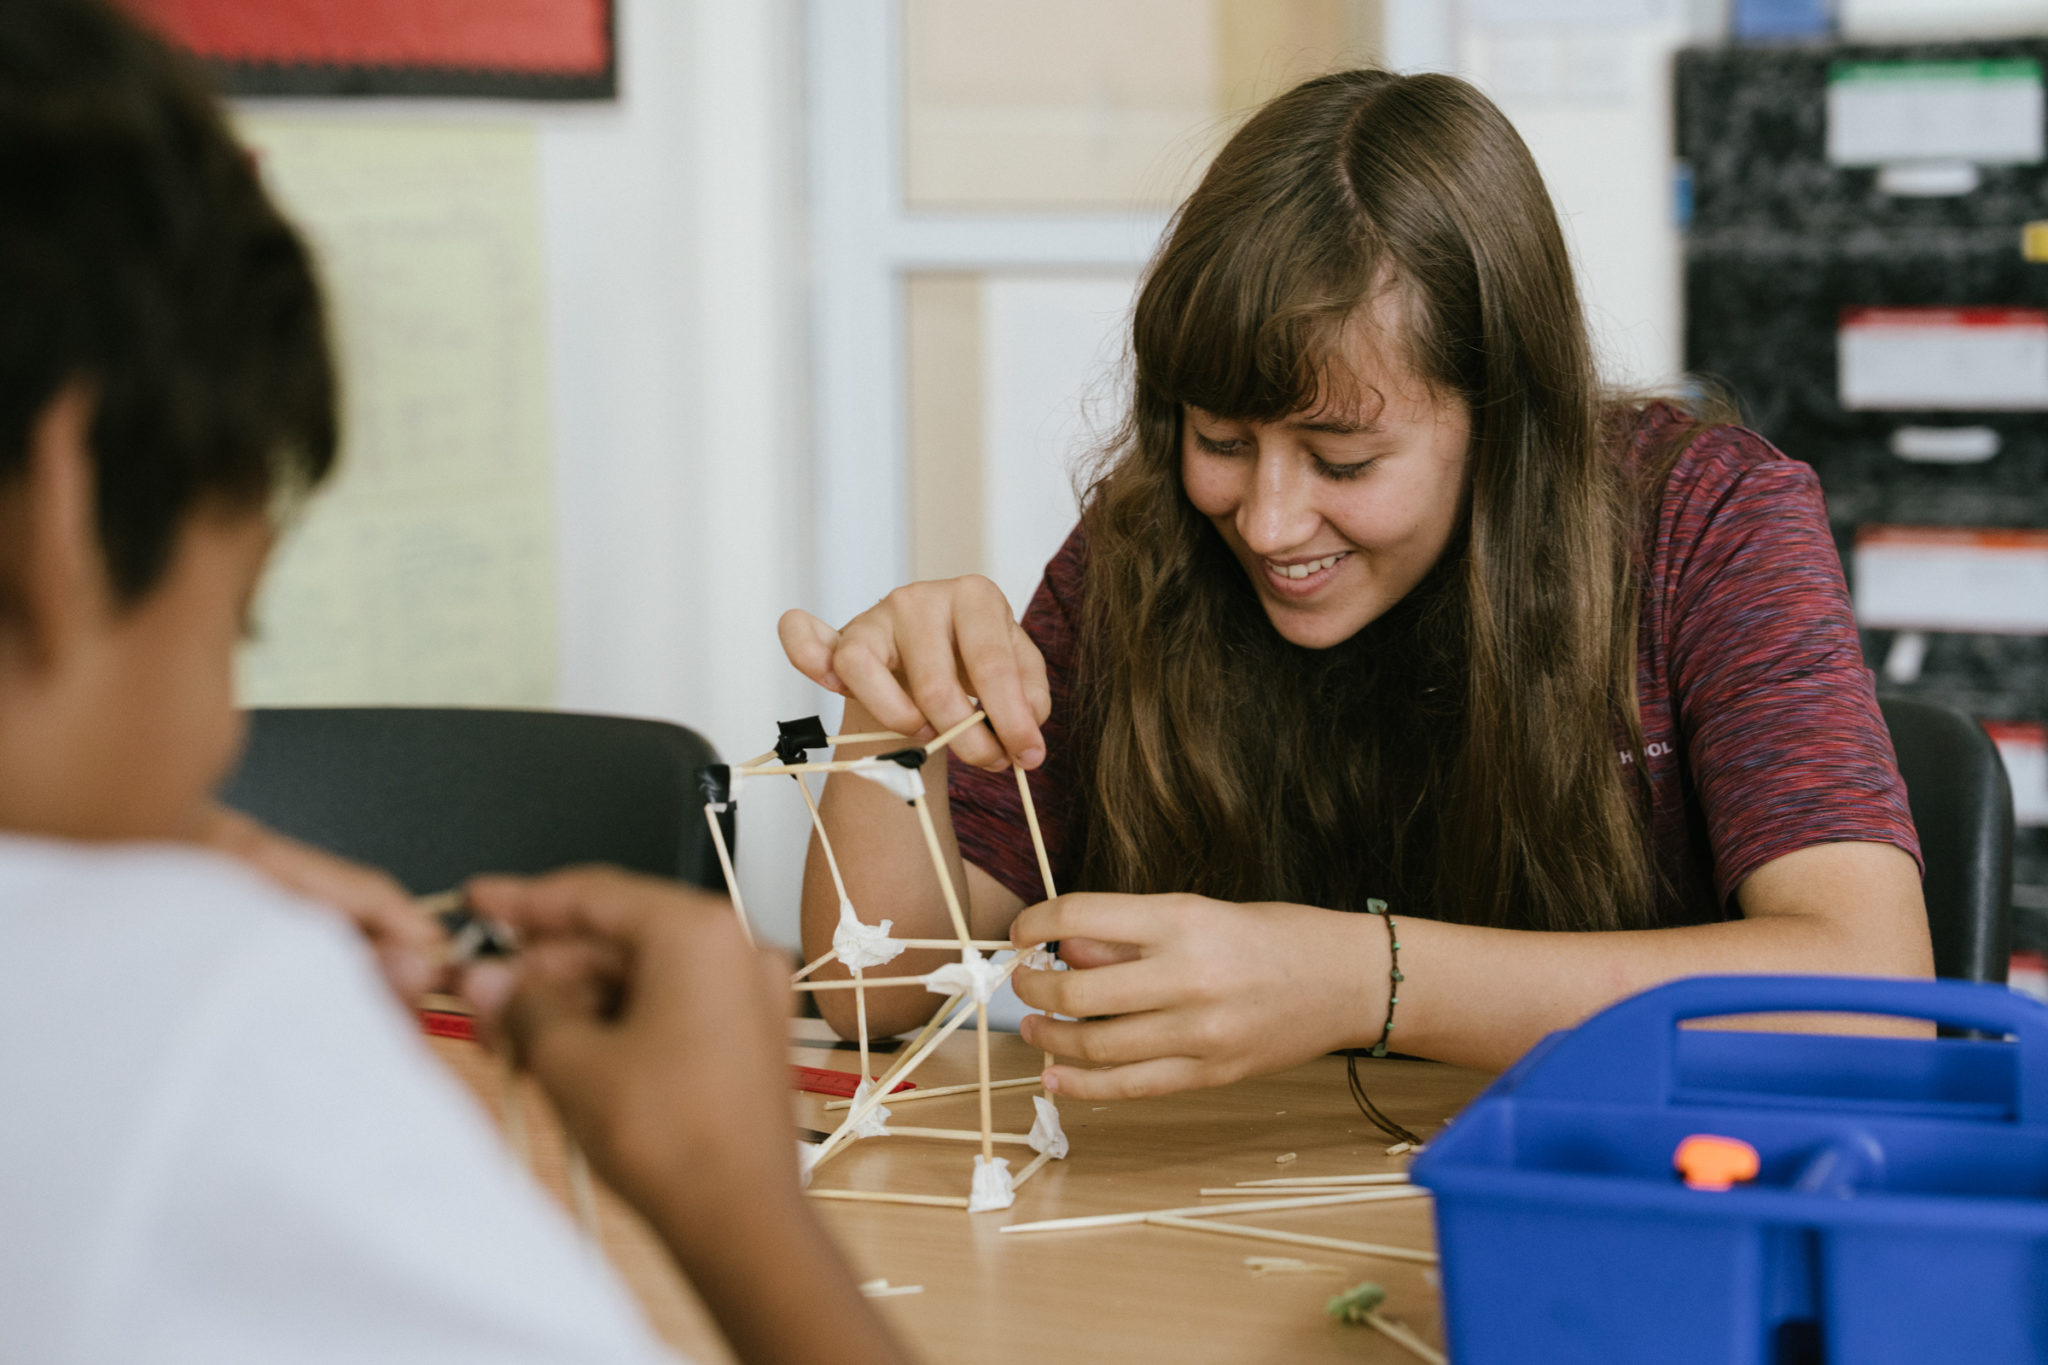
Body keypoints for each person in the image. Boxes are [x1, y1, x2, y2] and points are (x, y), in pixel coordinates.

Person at [0, 3, 907, 1362]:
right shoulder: (189, 1023)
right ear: (69, 507)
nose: (216, 743)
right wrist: (737, 1200)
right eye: (230, 628)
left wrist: (193, 852)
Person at [781, 69, 1933, 1098]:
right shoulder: (1143, 551)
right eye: (1221, 439)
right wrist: (886, 719)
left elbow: (1868, 1005)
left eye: (1343, 461)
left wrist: (1366, 983)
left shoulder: (1705, 523)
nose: (1269, 521)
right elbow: (867, 996)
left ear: (1501, 418)